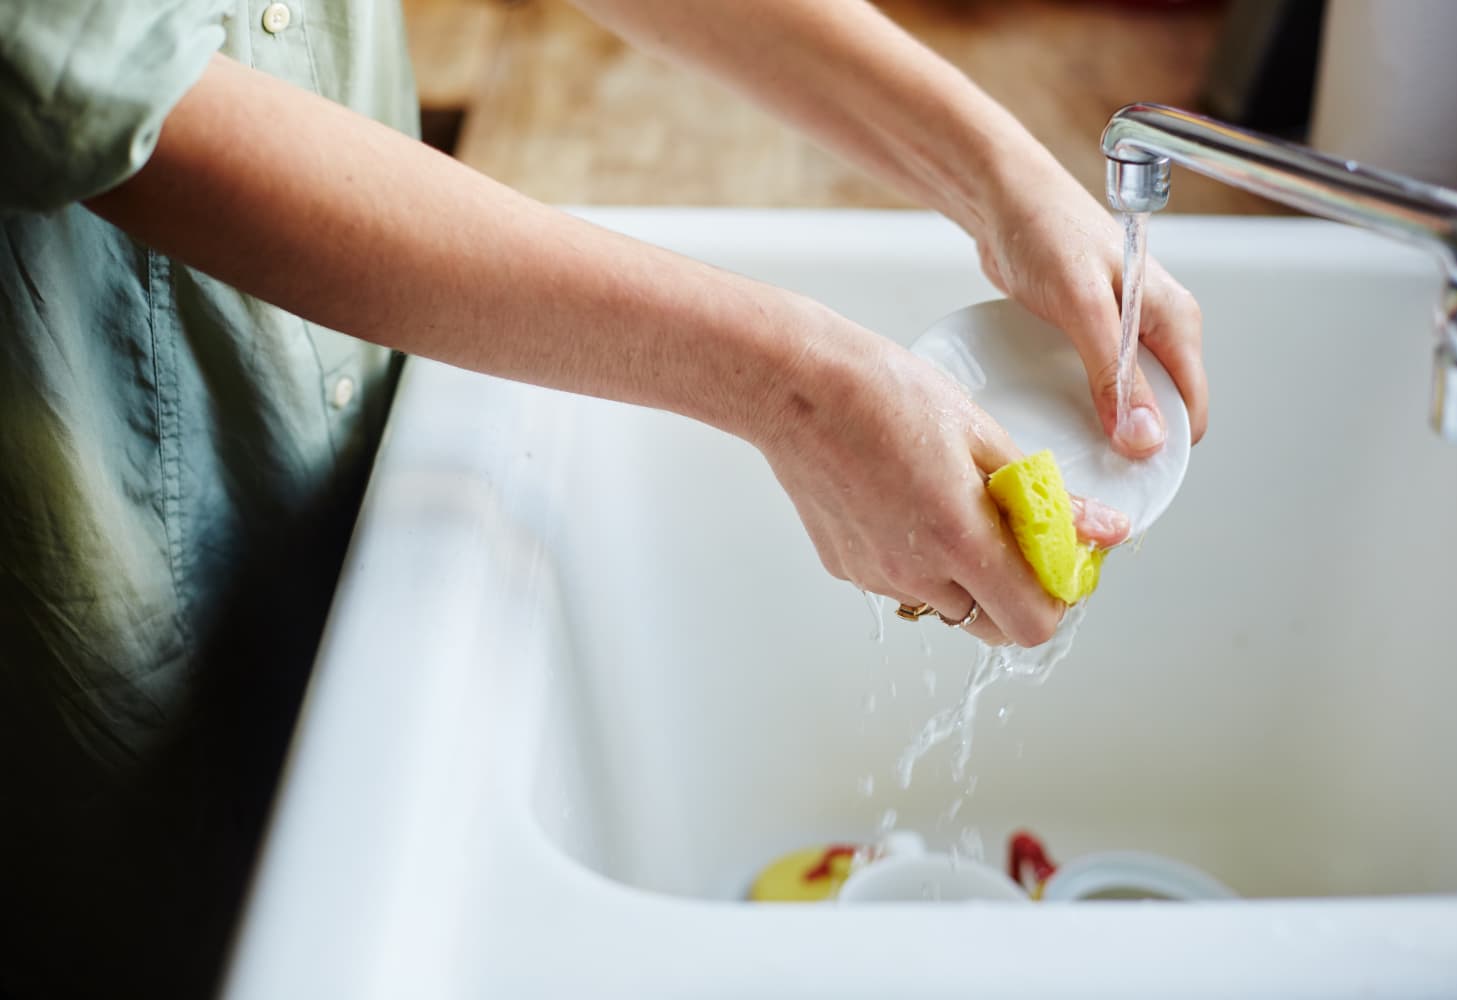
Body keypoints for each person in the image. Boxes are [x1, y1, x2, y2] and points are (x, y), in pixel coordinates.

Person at [0, 0, 1206, 995]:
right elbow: (123, 107)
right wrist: (792, 394)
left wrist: (998, 176)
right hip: (106, 509)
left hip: (358, 380)